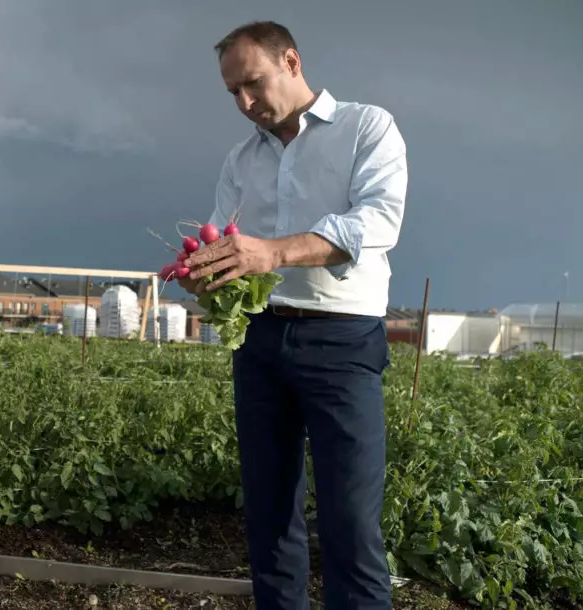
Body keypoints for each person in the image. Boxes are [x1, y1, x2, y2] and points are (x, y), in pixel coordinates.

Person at [181, 21, 408, 610]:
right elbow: (227, 236)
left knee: (351, 519)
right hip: (259, 341)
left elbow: (379, 222)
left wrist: (272, 250)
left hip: (342, 342)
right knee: (270, 513)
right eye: (233, 92)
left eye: (253, 83)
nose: (245, 102)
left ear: (291, 60)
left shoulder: (366, 128)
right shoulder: (241, 158)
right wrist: (205, 270)